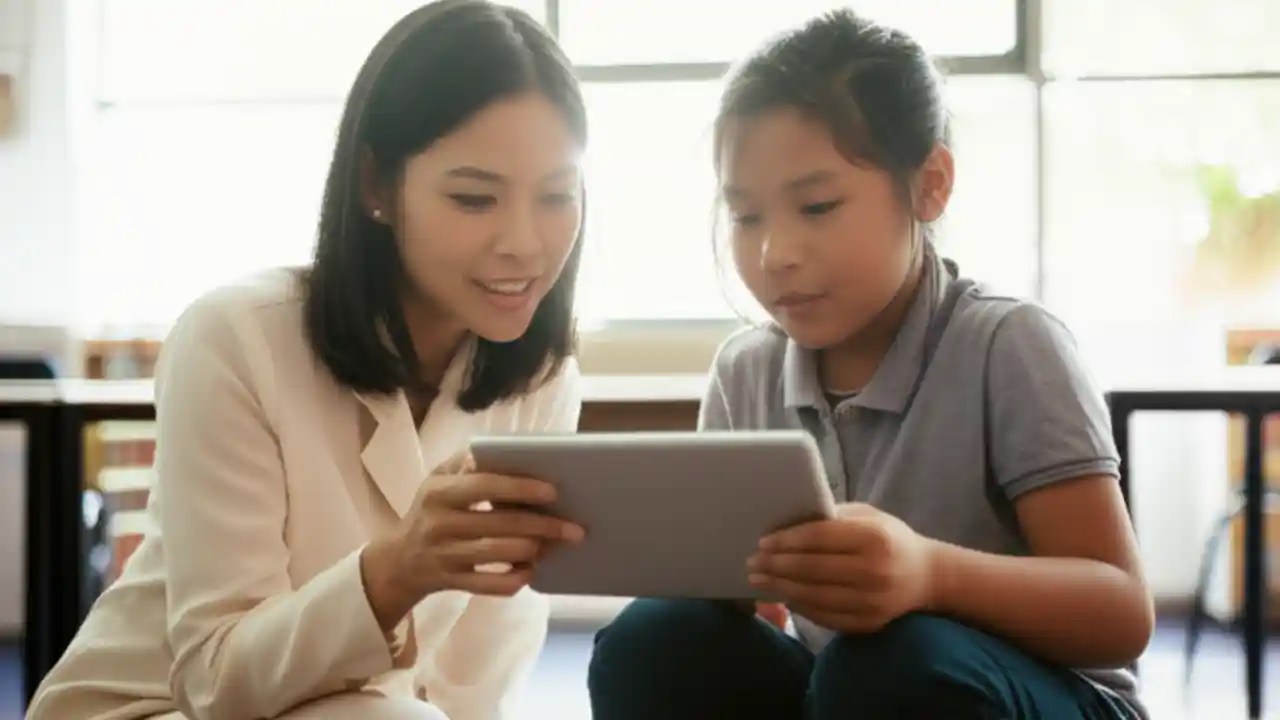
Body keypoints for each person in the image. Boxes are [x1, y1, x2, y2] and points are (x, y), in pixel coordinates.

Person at [588, 10, 1153, 720]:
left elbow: (1121, 615)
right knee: (656, 639)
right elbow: (754, 631)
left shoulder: (1009, 345)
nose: (776, 254)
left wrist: (931, 574)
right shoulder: (746, 372)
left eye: (817, 206)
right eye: (745, 216)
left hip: (1036, 696)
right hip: (855, 693)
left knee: (891, 665)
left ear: (930, 185)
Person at [28, 1, 588, 718]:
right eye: (474, 199)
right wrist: (392, 573)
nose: (525, 243)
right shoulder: (236, 337)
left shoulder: (541, 376)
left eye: (557, 197)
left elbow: (481, 672)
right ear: (376, 186)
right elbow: (217, 681)